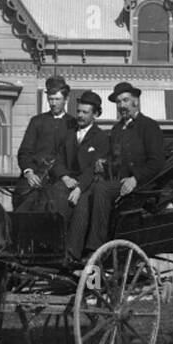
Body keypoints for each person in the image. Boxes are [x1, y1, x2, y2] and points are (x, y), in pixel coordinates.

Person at [72, 81, 164, 258]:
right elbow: (114, 159)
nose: (122, 105)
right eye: (118, 102)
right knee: (86, 193)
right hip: (119, 184)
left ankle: (96, 247)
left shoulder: (149, 126)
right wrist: (103, 162)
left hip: (144, 186)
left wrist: (135, 179)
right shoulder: (116, 130)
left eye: (125, 100)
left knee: (101, 189)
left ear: (135, 101)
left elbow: (157, 162)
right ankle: (76, 250)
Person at [12, 76, 77, 214]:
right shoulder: (37, 122)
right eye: (50, 99)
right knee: (23, 203)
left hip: (60, 179)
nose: (53, 103)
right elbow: (24, 151)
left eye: (57, 99)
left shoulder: (73, 124)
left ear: (66, 99)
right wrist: (29, 173)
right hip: (36, 176)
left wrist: (65, 176)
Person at [63, 90, 111, 262]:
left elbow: (93, 168)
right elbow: (60, 159)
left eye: (85, 112)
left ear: (95, 114)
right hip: (68, 181)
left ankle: (72, 254)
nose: (80, 116)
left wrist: (79, 188)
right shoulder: (69, 134)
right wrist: (63, 177)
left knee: (82, 202)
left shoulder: (102, 138)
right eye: (79, 111)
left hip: (90, 184)